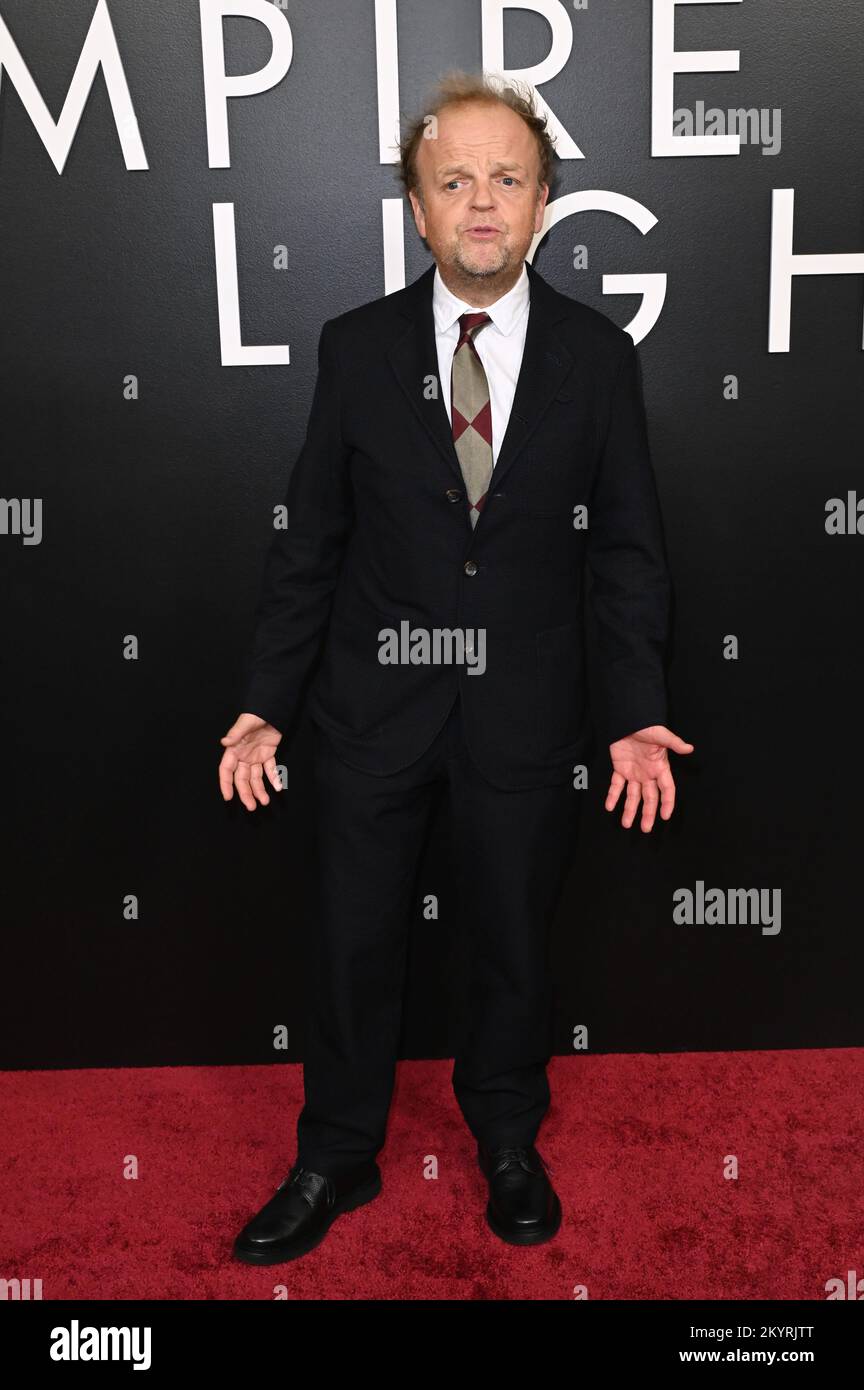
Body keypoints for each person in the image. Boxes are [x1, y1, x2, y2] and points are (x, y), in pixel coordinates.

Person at [220, 71, 693, 1265]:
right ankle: (335, 1153)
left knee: (511, 939)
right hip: (373, 708)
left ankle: (508, 1138)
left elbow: (629, 550)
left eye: (507, 179)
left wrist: (635, 713)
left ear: (543, 206)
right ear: (419, 212)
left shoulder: (598, 358)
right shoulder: (356, 348)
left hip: (527, 719)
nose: (482, 203)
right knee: (351, 939)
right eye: (454, 182)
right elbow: (310, 542)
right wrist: (263, 702)